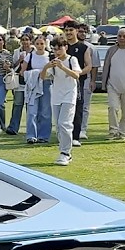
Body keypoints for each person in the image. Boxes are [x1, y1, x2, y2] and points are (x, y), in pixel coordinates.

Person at [44, 36, 82, 166]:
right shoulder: (53, 61)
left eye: (59, 48)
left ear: (65, 47)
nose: (57, 51)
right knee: (58, 126)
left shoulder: (72, 59)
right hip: (56, 96)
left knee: (64, 123)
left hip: (69, 95)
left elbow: (76, 75)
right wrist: (46, 67)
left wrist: (62, 67)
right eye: (54, 49)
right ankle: (63, 150)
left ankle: (66, 153)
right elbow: (43, 77)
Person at [67, 24, 94, 145]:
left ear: (76, 31)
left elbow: (89, 65)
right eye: (66, 30)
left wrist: (78, 73)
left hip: (78, 83)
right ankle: (64, 135)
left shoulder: (84, 48)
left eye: (71, 30)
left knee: (77, 108)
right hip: (62, 83)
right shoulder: (62, 46)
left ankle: (75, 137)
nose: (68, 33)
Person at [24, 35, 52, 144]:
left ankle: (43, 136)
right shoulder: (30, 56)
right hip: (33, 84)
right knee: (32, 111)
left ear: (45, 44)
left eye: (42, 44)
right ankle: (31, 135)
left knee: (45, 111)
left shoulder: (50, 56)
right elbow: (22, 71)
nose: (40, 46)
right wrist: (33, 74)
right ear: (34, 44)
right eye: (37, 44)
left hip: (46, 83)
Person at [6, 32, 34, 136]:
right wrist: (20, 60)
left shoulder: (35, 51)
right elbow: (13, 66)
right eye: (23, 40)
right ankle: (13, 127)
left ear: (30, 41)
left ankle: (31, 129)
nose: (25, 42)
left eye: (27, 40)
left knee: (30, 106)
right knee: (17, 104)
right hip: (19, 81)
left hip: (31, 82)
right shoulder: (17, 52)